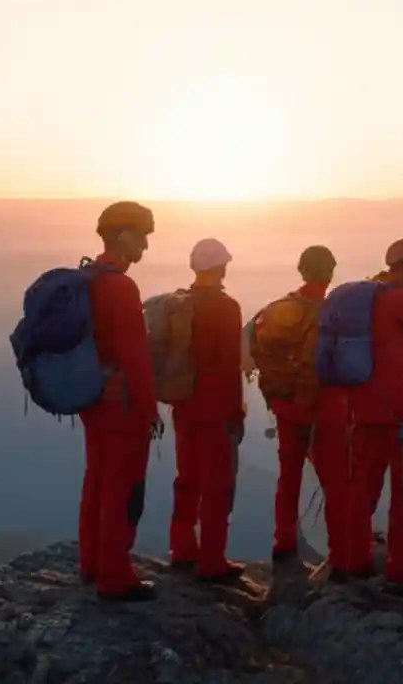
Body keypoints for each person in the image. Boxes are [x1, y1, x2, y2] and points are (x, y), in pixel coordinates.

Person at [317, 238, 403, 597]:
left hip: (363, 409)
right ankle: (400, 569)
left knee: (362, 487)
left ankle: (353, 561)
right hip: (401, 415)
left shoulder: (373, 299)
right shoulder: (402, 299)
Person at [78, 201, 159, 601]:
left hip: (92, 399)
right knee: (122, 487)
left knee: (97, 478)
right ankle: (114, 574)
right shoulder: (121, 287)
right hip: (122, 405)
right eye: (142, 235)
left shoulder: (88, 277)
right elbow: (136, 357)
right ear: (123, 235)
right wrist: (149, 410)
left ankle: (92, 562)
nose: (146, 244)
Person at [168, 238, 247, 584]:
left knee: (187, 478)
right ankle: (212, 559)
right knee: (217, 484)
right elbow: (229, 364)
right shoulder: (225, 308)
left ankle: (182, 548)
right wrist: (236, 409)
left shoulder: (180, 304)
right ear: (221, 267)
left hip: (183, 404)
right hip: (215, 408)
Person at [251, 245, 336, 563]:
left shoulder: (279, 310)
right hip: (319, 409)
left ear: (302, 270)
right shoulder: (328, 311)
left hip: (285, 407)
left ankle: (283, 541)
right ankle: (340, 547)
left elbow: (260, 353)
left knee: (289, 476)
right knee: (334, 478)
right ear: (330, 271)